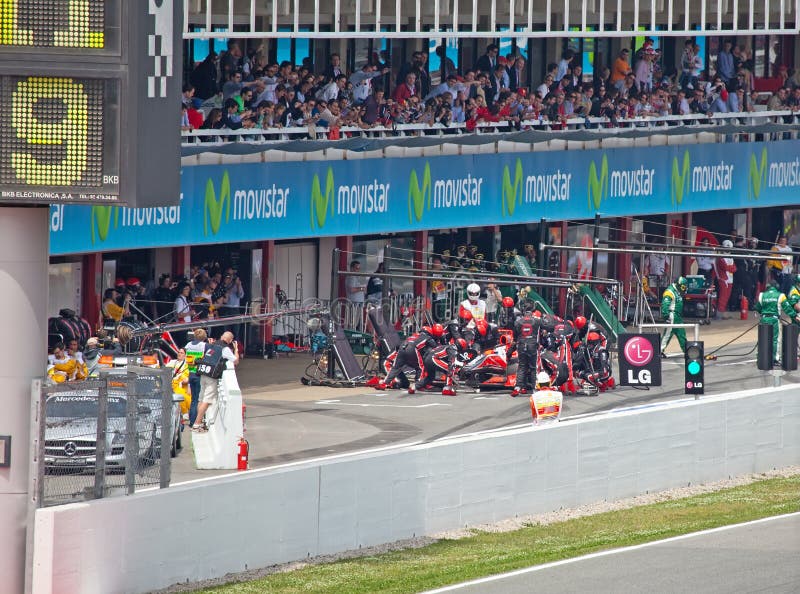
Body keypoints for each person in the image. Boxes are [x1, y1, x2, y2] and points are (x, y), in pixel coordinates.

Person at [192, 331, 239, 432]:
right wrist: (236, 350)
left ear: (221, 336)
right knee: (207, 400)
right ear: (230, 341)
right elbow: (235, 361)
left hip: (203, 372)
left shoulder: (211, 344)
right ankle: (197, 423)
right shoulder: (225, 348)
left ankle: (200, 422)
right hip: (211, 376)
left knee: (201, 398)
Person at [378, 325, 444, 393]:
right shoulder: (428, 338)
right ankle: (418, 385)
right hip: (413, 349)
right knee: (421, 367)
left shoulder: (416, 335)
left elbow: (400, 345)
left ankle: (384, 383)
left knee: (395, 368)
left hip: (403, 347)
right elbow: (436, 348)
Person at [753, 281, 793, 366]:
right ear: (777, 287)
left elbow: (757, 308)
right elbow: (787, 308)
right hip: (774, 320)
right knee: (775, 339)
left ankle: (761, 357)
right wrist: (794, 316)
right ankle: (775, 358)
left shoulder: (761, 295)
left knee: (763, 339)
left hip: (764, 319)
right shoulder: (780, 295)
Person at [511, 303, 540, 397]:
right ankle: (534, 388)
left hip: (521, 345)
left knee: (522, 366)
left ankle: (518, 387)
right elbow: (546, 327)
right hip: (532, 345)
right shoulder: (536, 321)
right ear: (532, 312)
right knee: (533, 368)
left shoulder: (518, 322)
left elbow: (515, 334)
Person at [184, 328, 208, 428]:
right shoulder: (203, 345)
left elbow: (185, 351)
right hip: (199, 373)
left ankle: (191, 419)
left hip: (191, 372)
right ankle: (195, 421)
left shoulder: (189, 345)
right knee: (198, 399)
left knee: (193, 399)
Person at [660, 276, 689, 357]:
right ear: (678, 285)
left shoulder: (677, 291)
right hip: (672, 315)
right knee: (668, 334)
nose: (684, 289)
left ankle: (687, 351)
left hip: (678, 316)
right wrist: (666, 316)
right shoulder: (669, 292)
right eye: (683, 287)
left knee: (682, 334)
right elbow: (665, 305)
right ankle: (659, 350)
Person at [167, 348, 191, 425]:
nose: (179, 354)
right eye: (179, 352)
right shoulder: (172, 362)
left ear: (185, 355)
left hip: (180, 386)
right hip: (169, 384)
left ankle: (184, 413)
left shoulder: (187, 365)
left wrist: (185, 380)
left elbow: (187, 377)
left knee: (180, 396)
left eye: (181, 353)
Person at [715, 239, 737, 319]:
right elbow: (725, 267)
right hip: (723, 280)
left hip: (730, 280)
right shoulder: (721, 257)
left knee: (726, 297)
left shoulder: (731, 257)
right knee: (722, 297)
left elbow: (734, 268)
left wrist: (729, 268)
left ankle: (722, 313)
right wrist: (730, 267)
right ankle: (718, 315)